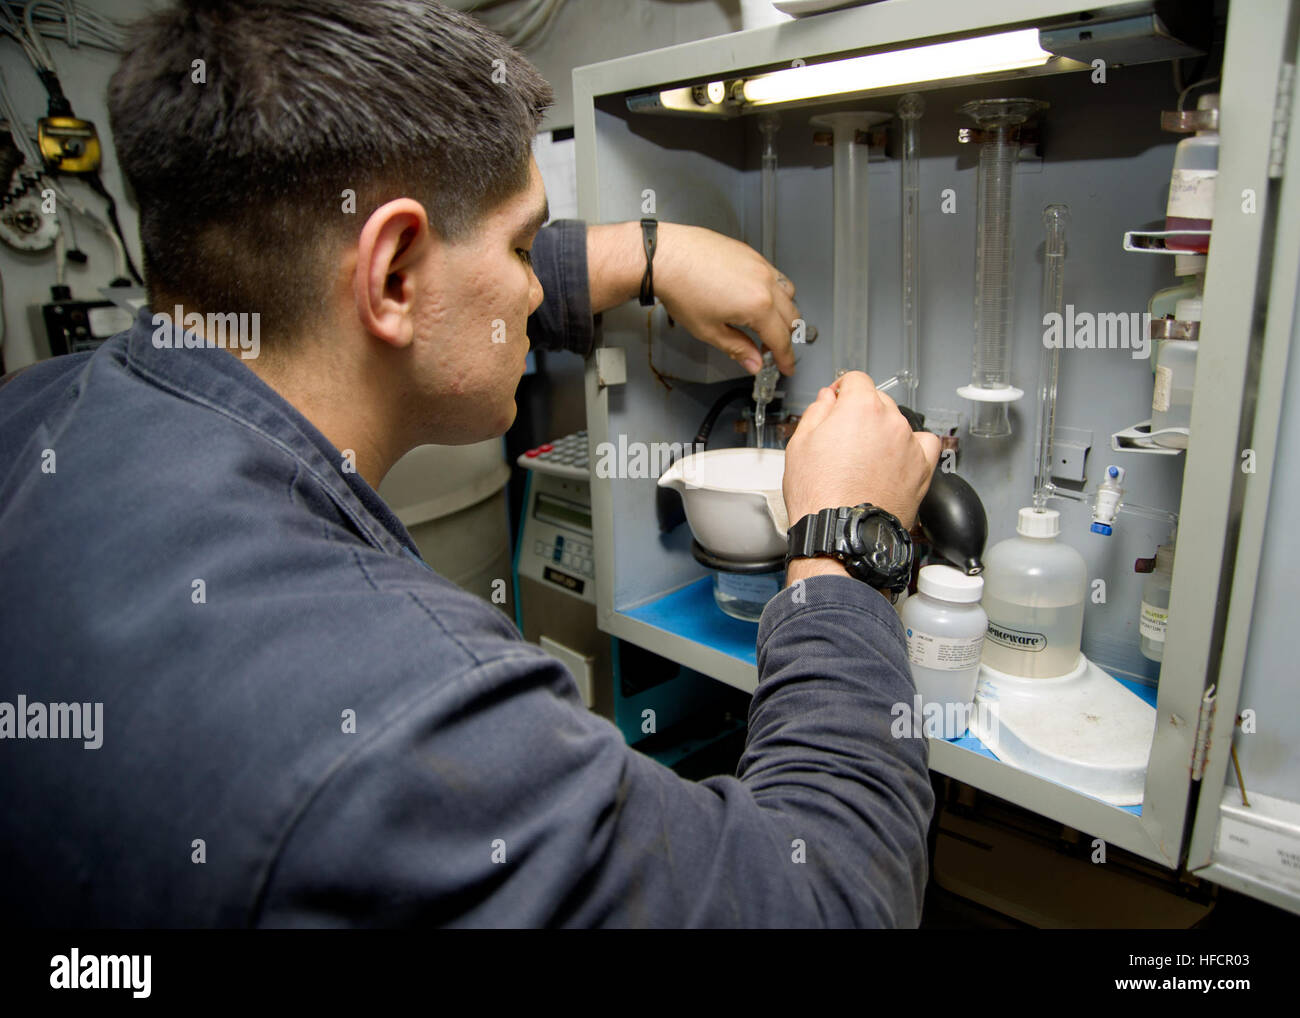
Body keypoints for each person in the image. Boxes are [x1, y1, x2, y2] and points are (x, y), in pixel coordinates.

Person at [0, 0, 940, 927]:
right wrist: (841, 548)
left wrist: (650, 253)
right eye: (526, 247)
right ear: (394, 274)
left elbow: (404, 288)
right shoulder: (414, 712)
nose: (536, 286)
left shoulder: (36, 417)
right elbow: (830, 902)